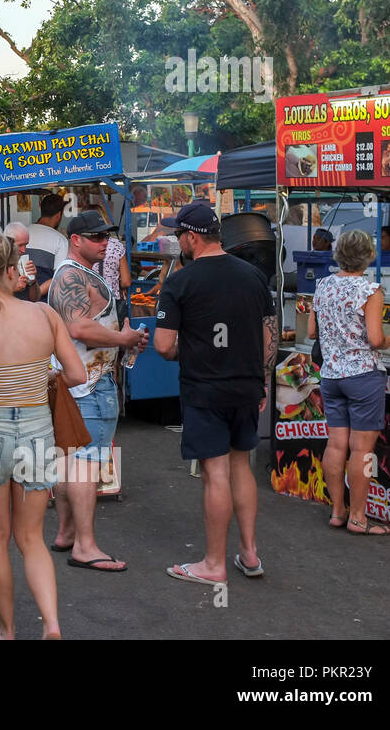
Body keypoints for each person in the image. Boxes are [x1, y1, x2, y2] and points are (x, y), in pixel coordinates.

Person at [0, 229, 85, 640]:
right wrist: (43, 375)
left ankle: (7, 630)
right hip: (37, 427)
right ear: (12, 270)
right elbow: (77, 374)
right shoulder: (45, 316)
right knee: (31, 537)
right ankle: (51, 623)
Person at [155, 201, 278, 581]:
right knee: (241, 465)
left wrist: (182, 350)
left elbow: (163, 345)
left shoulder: (180, 281)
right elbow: (268, 335)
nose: (179, 243)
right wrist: (262, 379)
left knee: (215, 471)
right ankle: (250, 553)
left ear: (192, 236)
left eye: (179, 236)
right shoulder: (254, 276)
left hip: (205, 389)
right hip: (246, 386)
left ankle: (213, 564)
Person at [47, 210, 146, 573]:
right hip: (88, 382)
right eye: (96, 238)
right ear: (76, 240)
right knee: (85, 464)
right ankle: (85, 546)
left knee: (69, 460)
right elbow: (79, 327)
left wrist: (125, 339)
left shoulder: (76, 273)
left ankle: (66, 533)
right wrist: (123, 338)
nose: (105, 244)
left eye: (107, 237)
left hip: (79, 380)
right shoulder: (71, 274)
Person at [309, 228, 390, 536]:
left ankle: (337, 511)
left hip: (331, 376)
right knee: (362, 451)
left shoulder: (323, 286)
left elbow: (313, 333)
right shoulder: (370, 291)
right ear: (369, 255)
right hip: (363, 377)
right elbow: (375, 338)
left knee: (336, 444)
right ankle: (358, 517)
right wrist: (387, 342)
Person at [27, 193, 70, 296]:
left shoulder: (22, 233)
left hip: (17, 300)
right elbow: (59, 276)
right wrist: (35, 295)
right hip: (42, 303)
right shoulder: (61, 240)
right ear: (59, 215)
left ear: (40, 209)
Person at [4, 221, 41, 302]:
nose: (24, 250)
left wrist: (32, 281)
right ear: (7, 242)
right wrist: (12, 288)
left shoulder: (21, 261)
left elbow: (35, 299)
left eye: (26, 244)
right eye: (20, 245)